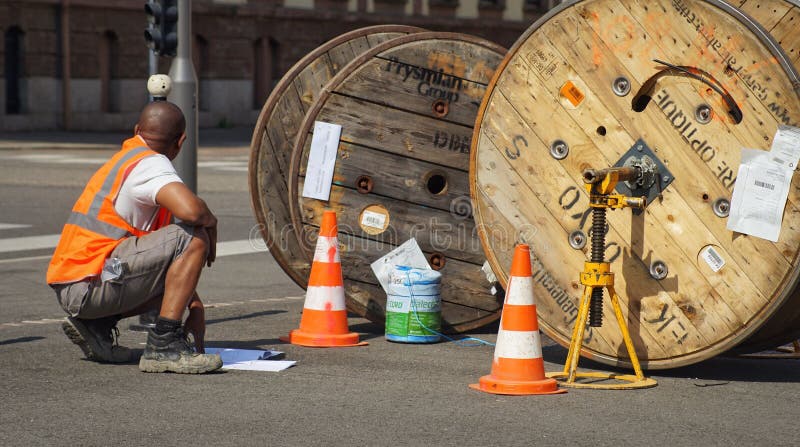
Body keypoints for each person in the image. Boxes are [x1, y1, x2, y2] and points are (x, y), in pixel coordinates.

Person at [46, 101, 222, 374]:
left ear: (137, 130)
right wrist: (211, 223)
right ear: (181, 140)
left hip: (82, 283)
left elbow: (173, 269)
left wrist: (195, 306)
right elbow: (192, 212)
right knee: (193, 237)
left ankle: (97, 326)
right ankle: (165, 347)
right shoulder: (150, 163)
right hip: (90, 285)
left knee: (179, 251)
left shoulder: (127, 158)